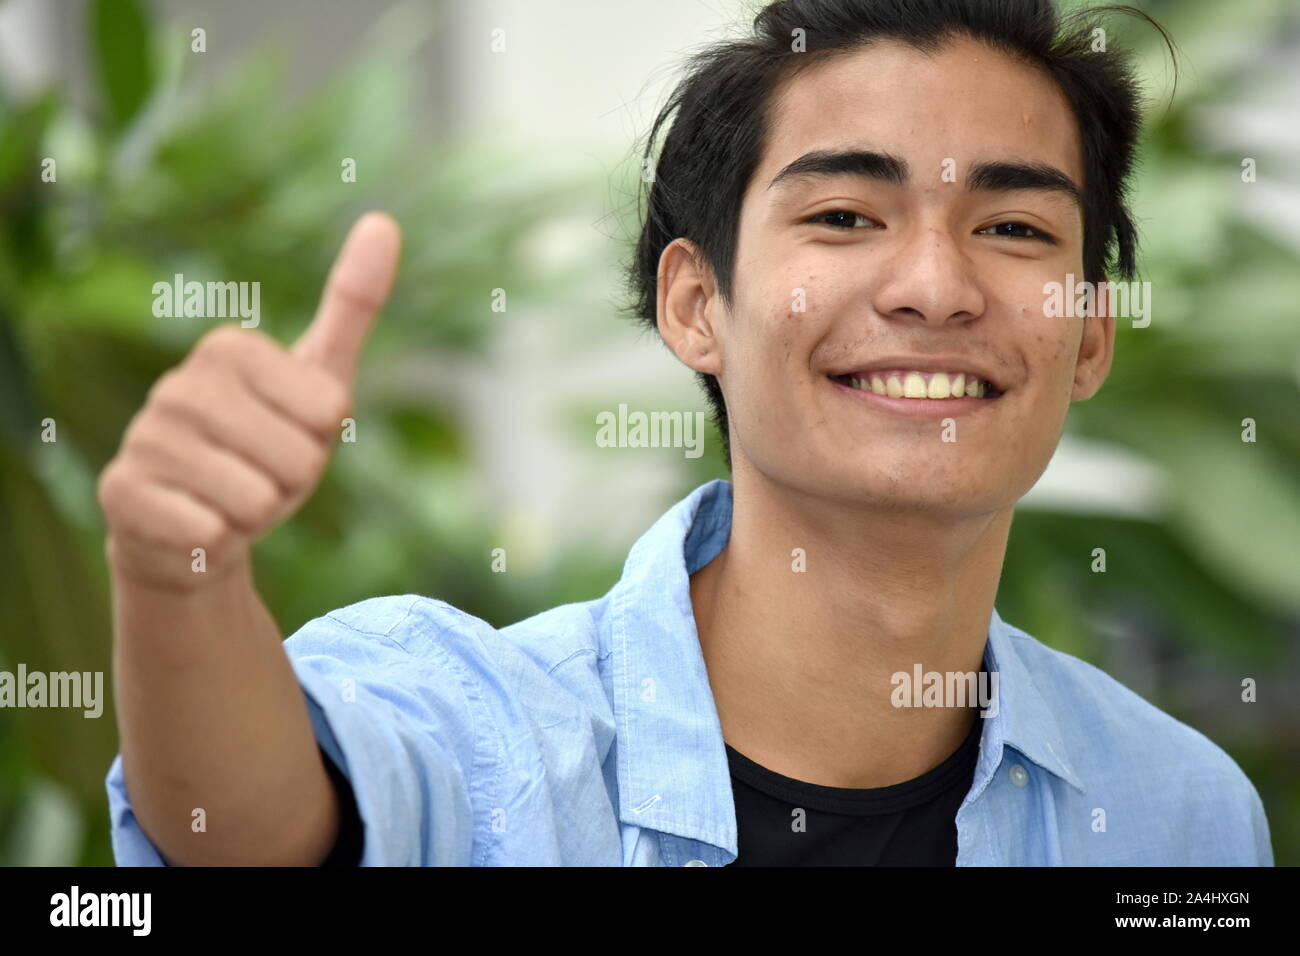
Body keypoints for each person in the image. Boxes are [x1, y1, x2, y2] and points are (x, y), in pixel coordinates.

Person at [100, 0, 1273, 866]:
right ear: (694, 303)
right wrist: (176, 574)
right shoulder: (480, 733)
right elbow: (235, 832)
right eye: (845, 213)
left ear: (1088, 336)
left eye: (1015, 227)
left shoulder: (1178, 813)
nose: (935, 285)